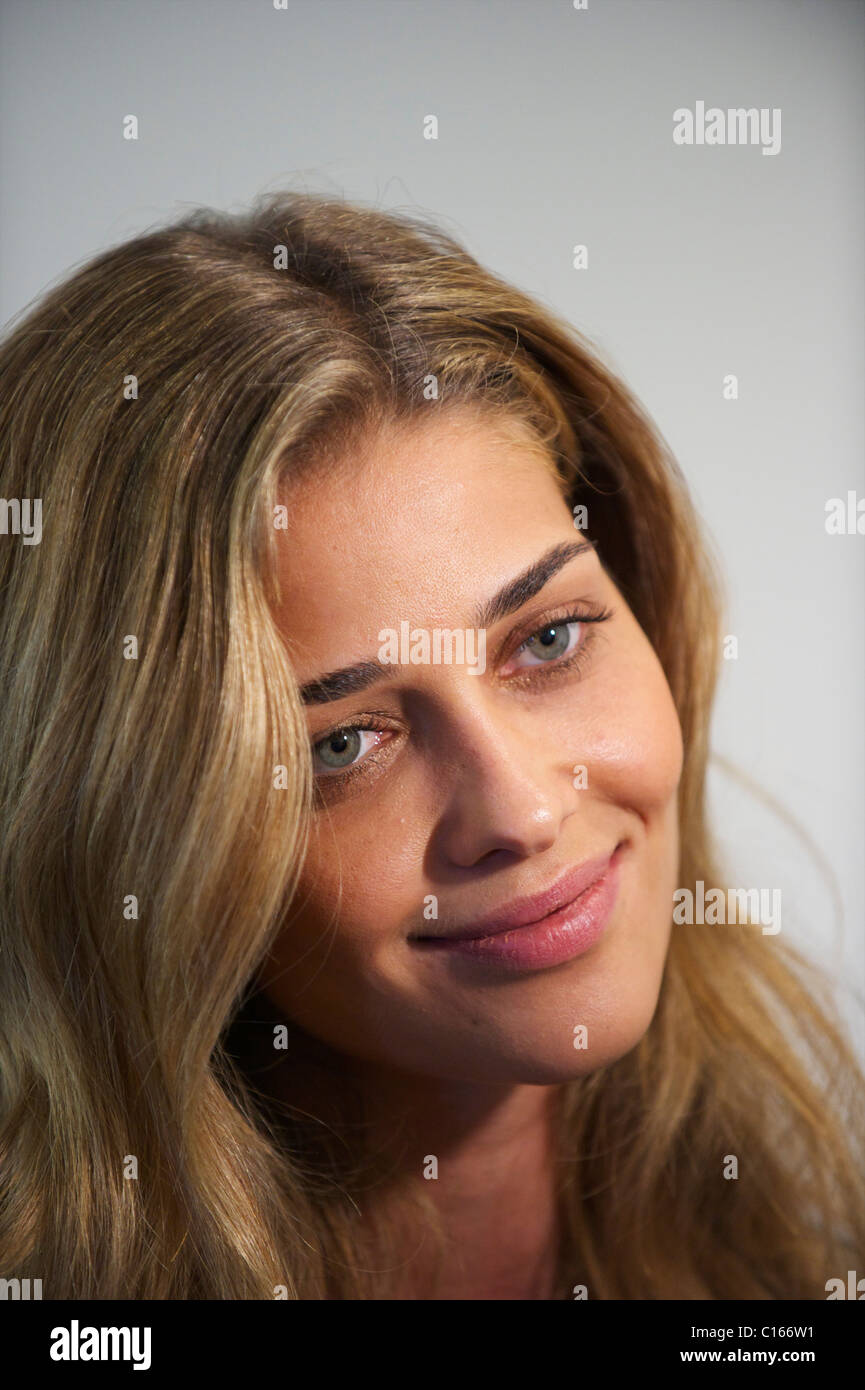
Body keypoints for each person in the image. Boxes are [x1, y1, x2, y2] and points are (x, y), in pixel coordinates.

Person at [0, 191, 861, 1299]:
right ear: (127, 835)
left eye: (547, 639)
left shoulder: (797, 1249)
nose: (523, 811)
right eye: (340, 746)